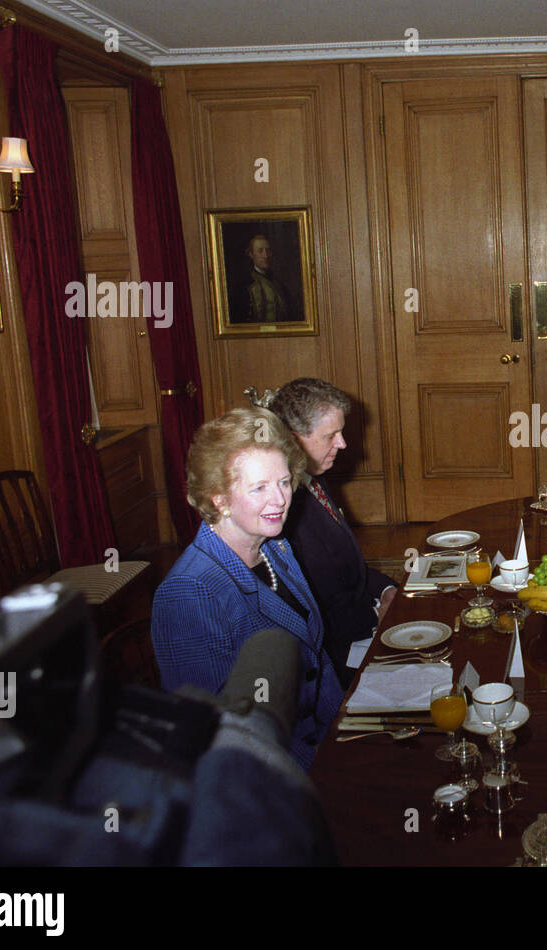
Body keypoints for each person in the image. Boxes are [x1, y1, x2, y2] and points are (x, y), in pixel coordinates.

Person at [151, 406, 344, 771]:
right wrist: (324, 768)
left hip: (322, 741)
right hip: (268, 776)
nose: (279, 500)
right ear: (217, 498)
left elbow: (317, 660)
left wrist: (346, 725)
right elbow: (221, 733)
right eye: (259, 488)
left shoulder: (275, 548)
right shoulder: (190, 591)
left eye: (284, 482)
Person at [268, 378, 397, 688]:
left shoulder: (313, 479)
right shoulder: (282, 509)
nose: (343, 444)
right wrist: (379, 626)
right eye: (331, 435)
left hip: (360, 628)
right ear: (293, 440)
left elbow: (347, 571)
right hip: (333, 660)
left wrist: (388, 591)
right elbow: (316, 606)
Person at [243, 234, 295, 324]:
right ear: (251, 254)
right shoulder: (246, 284)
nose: (265, 255)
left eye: (268, 250)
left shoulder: (279, 283)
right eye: (260, 251)